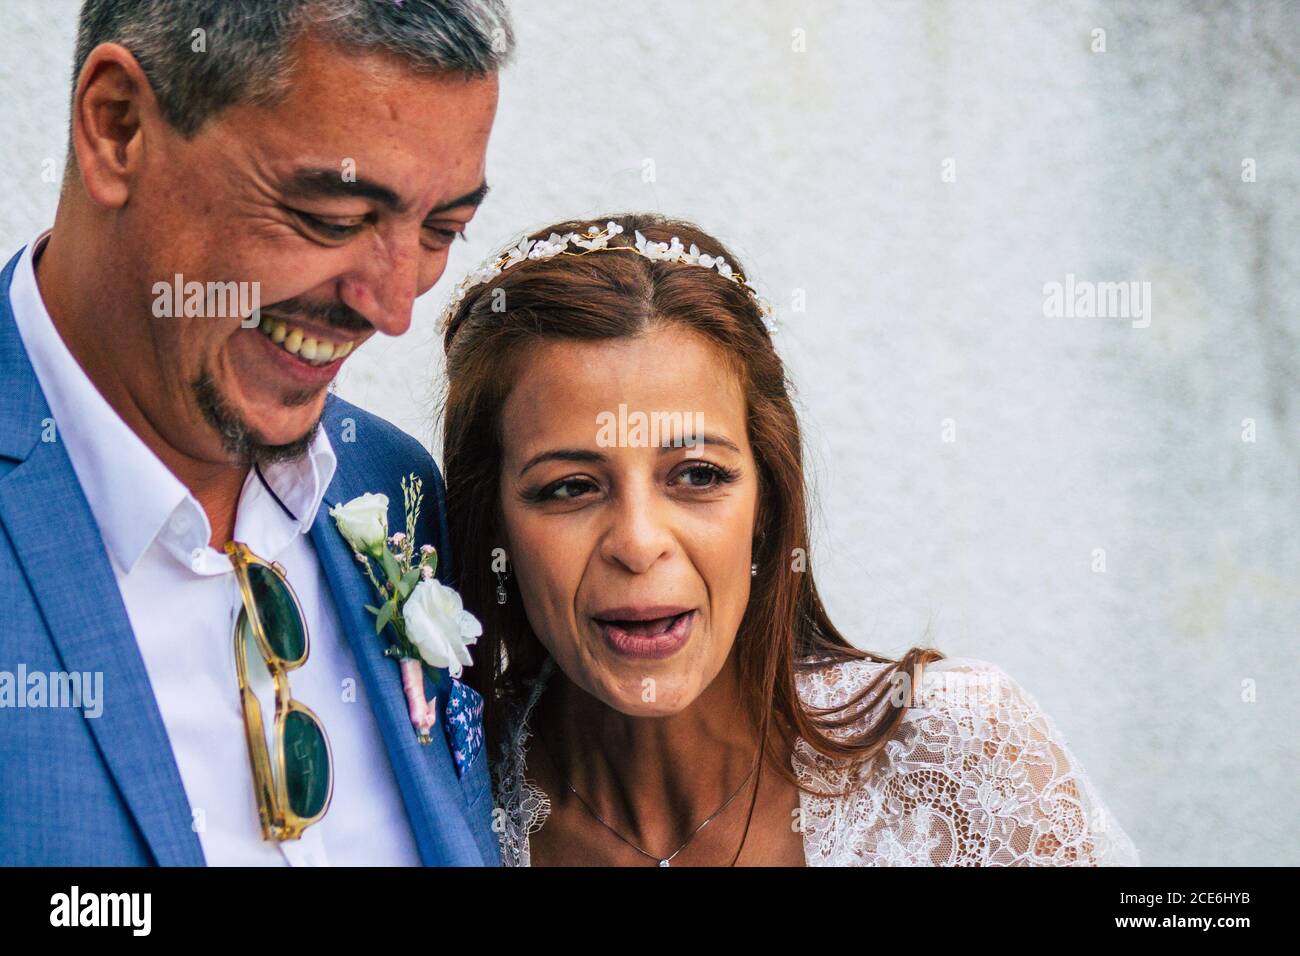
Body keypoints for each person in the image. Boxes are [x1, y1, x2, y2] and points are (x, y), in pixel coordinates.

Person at [438, 213, 1143, 866]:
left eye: (697, 474)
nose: (639, 542)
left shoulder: (962, 757)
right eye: (570, 487)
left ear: (768, 501)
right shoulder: (437, 809)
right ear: (493, 519)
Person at [0, 0, 513, 866]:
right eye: (335, 217)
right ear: (118, 127)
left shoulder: (398, 490)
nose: (392, 311)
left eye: (440, 231)